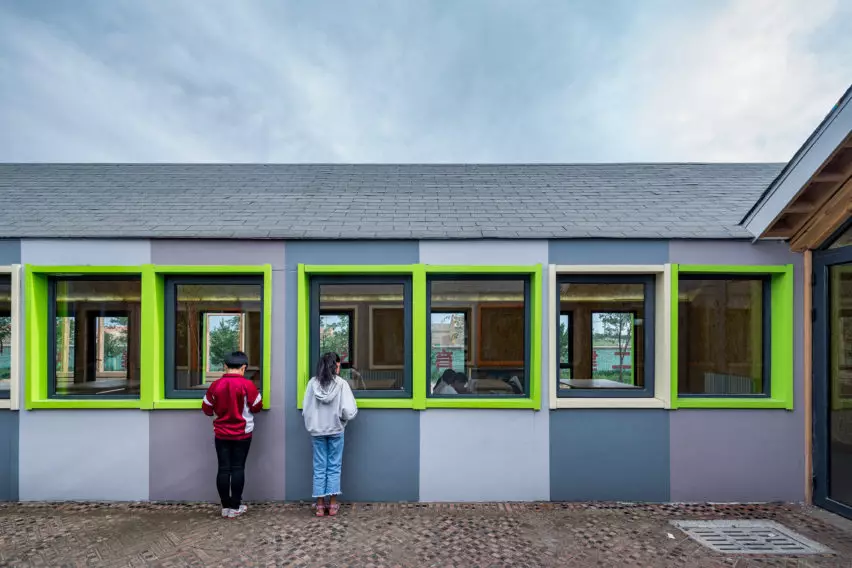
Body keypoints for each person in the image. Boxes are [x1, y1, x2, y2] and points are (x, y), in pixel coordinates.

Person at [202, 351, 262, 519]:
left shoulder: (215, 385)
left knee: (223, 468)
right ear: (244, 368)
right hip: (243, 434)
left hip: (221, 433)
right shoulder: (248, 385)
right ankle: (236, 506)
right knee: (238, 468)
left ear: (225, 367)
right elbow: (257, 406)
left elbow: (207, 409)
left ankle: (225, 506)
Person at [303, 352, 358, 517]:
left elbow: (306, 409)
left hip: (317, 431)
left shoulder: (312, 384)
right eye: (339, 364)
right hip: (335, 430)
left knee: (319, 467)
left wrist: (312, 425)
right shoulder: (341, 384)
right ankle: (333, 505)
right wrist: (342, 419)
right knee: (334, 466)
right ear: (336, 366)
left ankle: (320, 506)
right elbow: (348, 410)